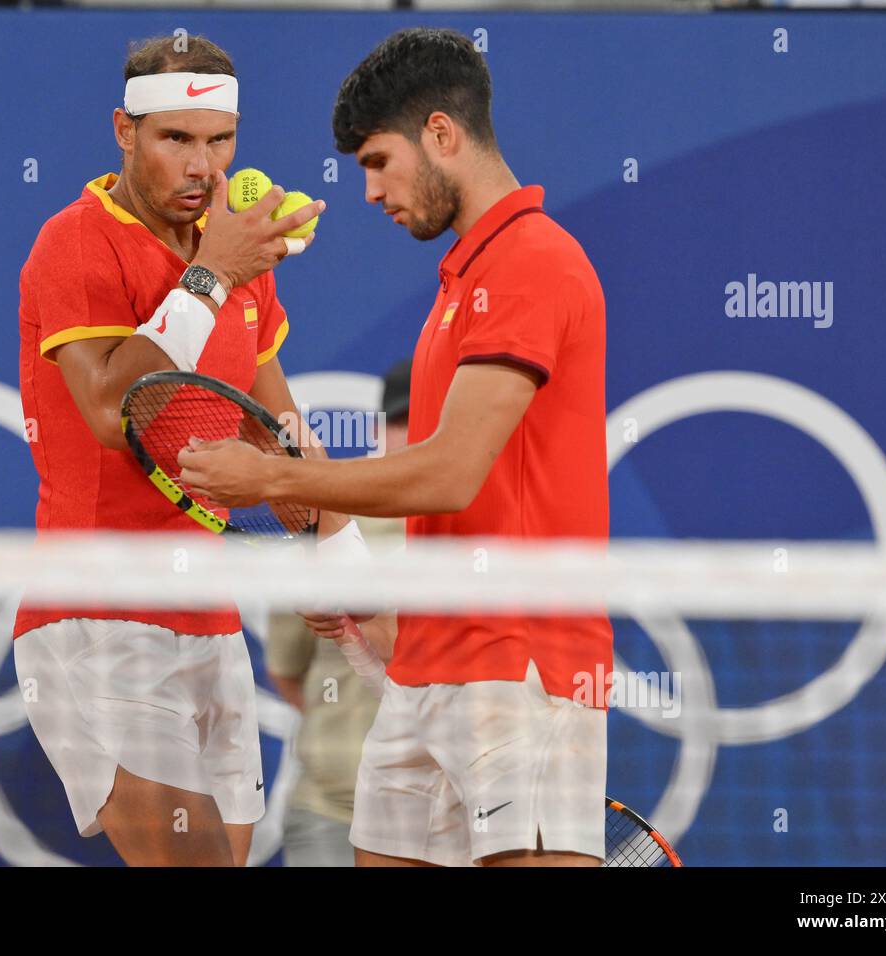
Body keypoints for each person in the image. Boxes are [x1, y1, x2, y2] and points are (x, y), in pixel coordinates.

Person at [179, 27, 613, 868]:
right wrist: (393, 620)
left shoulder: (533, 263)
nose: (369, 191)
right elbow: (474, 503)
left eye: (379, 161)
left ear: (442, 134)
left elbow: (451, 473)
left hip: (522, 671)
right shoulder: (462, 280)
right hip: (427, 667)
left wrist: (274, 474)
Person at [11, 33, 336, 867]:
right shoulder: (76, 243)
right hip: (97, 618)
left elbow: (284, 441)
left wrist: (343, 571)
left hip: (210, 627)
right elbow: (115, 407)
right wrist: (211, 276)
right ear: (124, 130)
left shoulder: (240, 252)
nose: (202, 166)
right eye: (176, 139)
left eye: (219, 141)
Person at [265, 358, 410, 867]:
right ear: (377, 429)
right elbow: (286, 673)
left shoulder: (479, 542)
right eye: (399, 421)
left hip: (442, 811)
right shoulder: (325, 533)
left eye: (424, 423)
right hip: (331, 811)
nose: (409, 435)